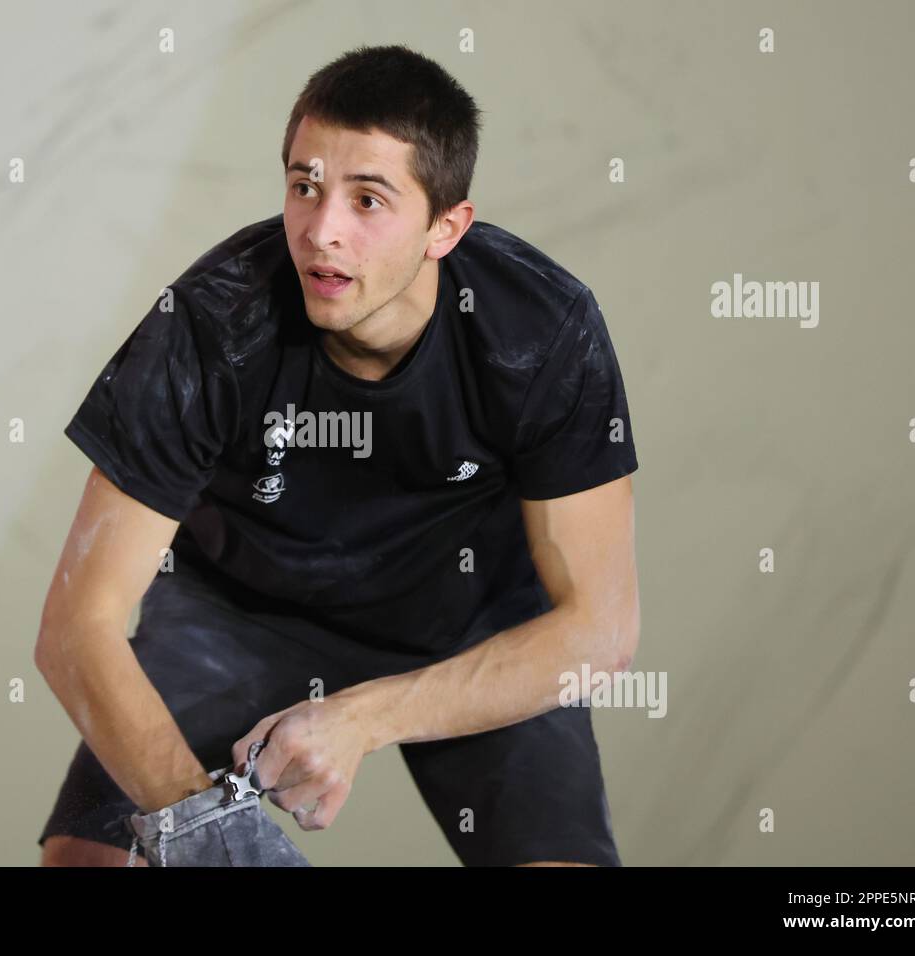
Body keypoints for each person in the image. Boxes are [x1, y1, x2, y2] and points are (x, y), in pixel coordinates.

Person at [34, 44, 641, 867]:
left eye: (368, 200)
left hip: (469, 618)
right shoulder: (212, 323)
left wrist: (362, 717)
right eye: (305, 187)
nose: (323, 232)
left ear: (446, 227)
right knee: (90, 862)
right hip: (243, 613)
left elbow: (600, 631)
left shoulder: (542, 330)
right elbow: (77, 628)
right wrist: (210, 835)